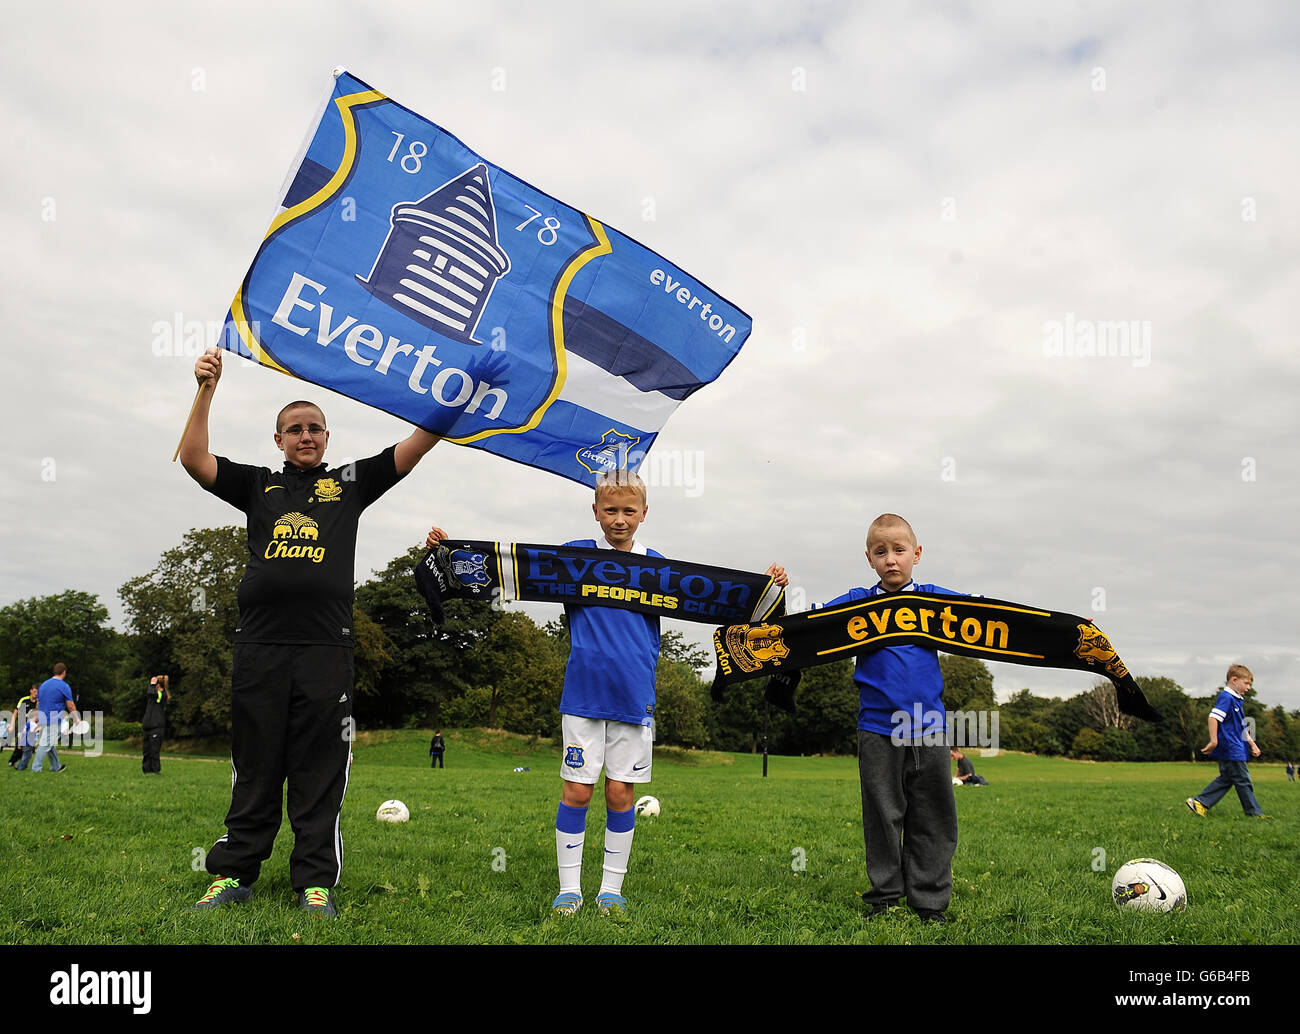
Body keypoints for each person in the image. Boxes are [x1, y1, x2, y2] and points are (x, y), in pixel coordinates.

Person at [427, 472, 786, 917]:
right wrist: (449, 551)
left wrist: (765, 587)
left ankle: (611, 891)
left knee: (619, 793)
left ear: (644, 514)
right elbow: (508, 567)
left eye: (628, 511)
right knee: (577, 791)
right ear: (595, 512)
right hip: (582, 695)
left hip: (635, 696)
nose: (619, 519)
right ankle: (569, 890)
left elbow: (718, 596)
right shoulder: (574, 558)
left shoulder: (659, 567)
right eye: (610, 510)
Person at [179, 346, 440, 916]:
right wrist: (205, 390)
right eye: (294, 429)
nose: (305, 436)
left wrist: (454, 396)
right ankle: (233, 875)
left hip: (326, 652)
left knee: (321, 768)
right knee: (256, 765)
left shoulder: (349, 484)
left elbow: (414, 447)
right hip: (260, 649)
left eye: (314, 428)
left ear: (327, 437)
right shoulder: (258, 486)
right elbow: (193, 458)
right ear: (278, 440)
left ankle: (313, 882)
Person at [821, 513, 960, 923]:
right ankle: (883, 898)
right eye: (881, 552)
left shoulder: (934, 600)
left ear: (917, 554)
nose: (891, 560)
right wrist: (773, 592)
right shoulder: (856, 603)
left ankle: (931, 904)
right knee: (882, 816)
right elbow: (804, 628)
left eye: (899, 550)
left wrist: (1061, 633)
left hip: (930, 729)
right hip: (877, 729)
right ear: (869, 558)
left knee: (933, 817)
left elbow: (997, 618)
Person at [1185, 664, 1263, 818]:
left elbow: (1241, 727)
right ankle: (1254, 813)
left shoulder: (1237, 700)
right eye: (1246, 683)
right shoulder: (1227, 697)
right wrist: (1214, 741)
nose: (1248, 688)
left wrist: (1252, 744)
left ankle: (1200, 802)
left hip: (1235, 747)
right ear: (1234, 680)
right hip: (1231, 747)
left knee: (1227, 779)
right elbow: (1213, 717)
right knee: (1243, 780)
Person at [33, 664, 80, 773]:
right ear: (63, 672)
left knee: (50, 742)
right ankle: (36, 768)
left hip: (43, 718)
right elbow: (70, 705)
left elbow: (38, 703)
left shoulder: (44, 685)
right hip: (54, 719)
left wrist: (37, 716)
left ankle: (56, 766)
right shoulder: (64, 686)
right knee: (45, 743)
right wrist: (76, 719)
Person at [142, 675, 170, 774]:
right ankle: (146, 770)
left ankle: (155, 770)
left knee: (154, 751)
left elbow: (151, 693)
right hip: (148, 727)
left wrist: (152, 684)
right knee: (146, 751)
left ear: (158, 685)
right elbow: (150, 694)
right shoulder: (153, 695)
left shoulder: (161, 695)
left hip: (156, 727)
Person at [9, 685, 38, 770]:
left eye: (37, 692)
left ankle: (22, 763)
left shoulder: (37, 702)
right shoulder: (24, 700)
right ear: (31, 691)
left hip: (31, 727)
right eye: (34, 691)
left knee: (29, 748)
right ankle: (12, 761)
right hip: (22, 725)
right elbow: (16, 711)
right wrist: (12, 724)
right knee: (20, 746)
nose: (36, 694)